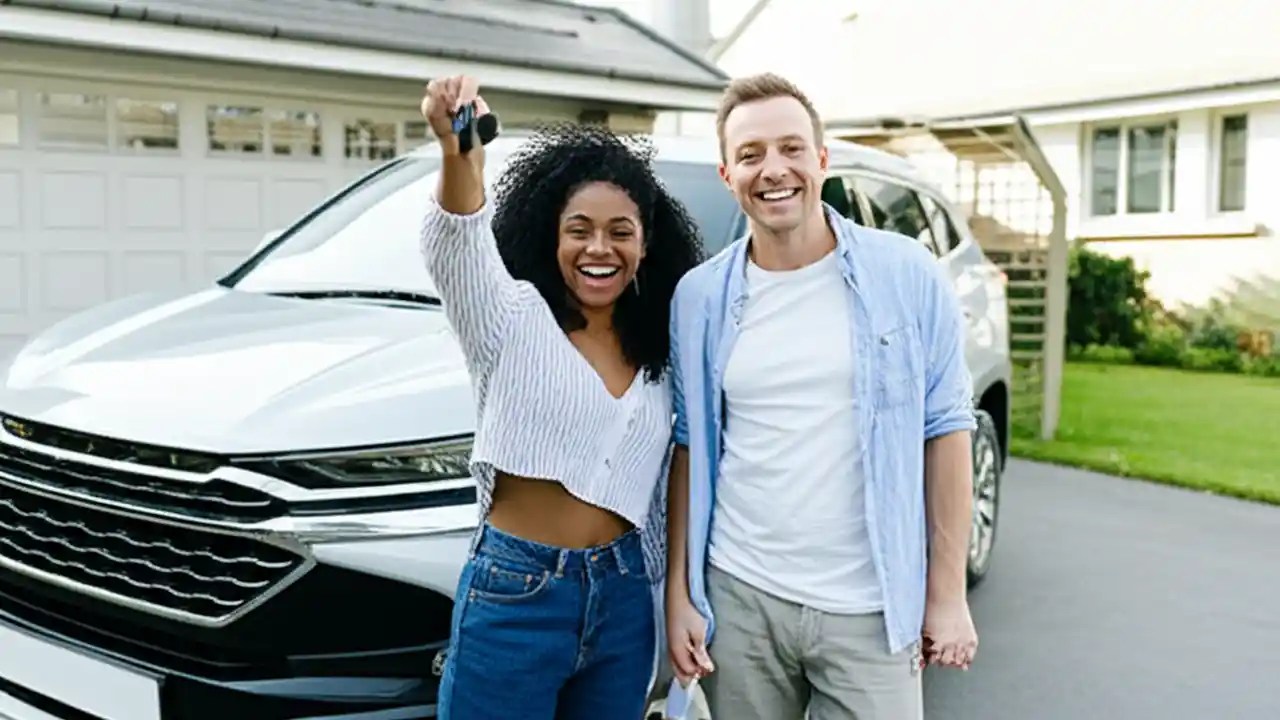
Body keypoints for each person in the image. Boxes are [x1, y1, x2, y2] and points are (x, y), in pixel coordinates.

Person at [663, 72, 980, 719]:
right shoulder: (699, 298)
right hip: (741, 594)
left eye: (791, 148)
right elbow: (690, 447)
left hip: (869, 606)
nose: (773, 169)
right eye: (750, 154)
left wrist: (947, 595)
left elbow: (946, 429)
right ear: (729, 175)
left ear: (822, 160)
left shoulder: (905, 273)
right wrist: (679, 593)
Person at [417, 76, 703, 719]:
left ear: (645, 243)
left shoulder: (662, 348)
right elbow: (456, 242)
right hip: (517, 594)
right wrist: (458, 152)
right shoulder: (510, 317)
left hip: (627, 598)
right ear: (553, 237)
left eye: (619, 231)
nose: (599, 249)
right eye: (580, 229)